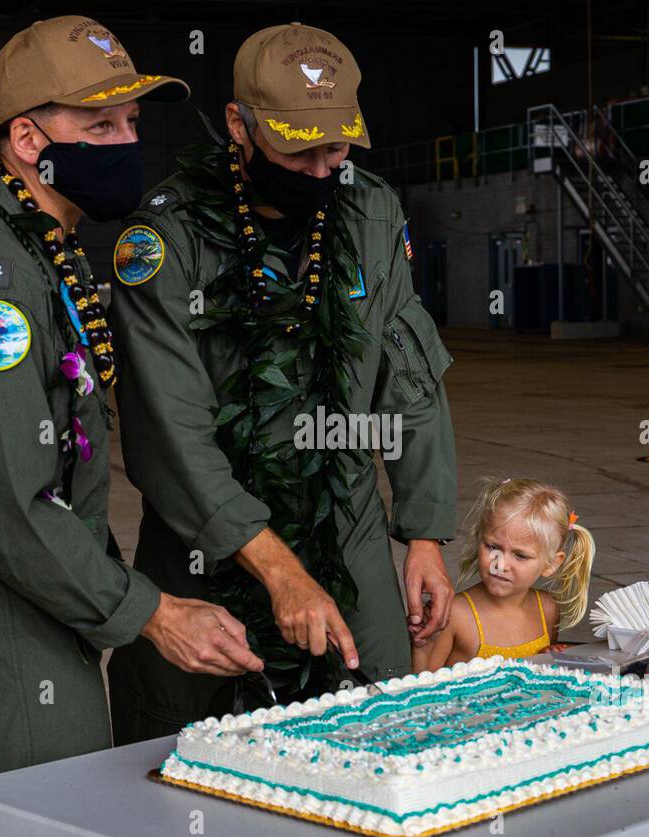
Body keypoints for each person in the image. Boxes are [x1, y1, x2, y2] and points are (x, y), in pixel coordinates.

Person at [0, 15, 261, 837]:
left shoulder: (35, 242)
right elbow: (6, 507)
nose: (125, 142)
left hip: (37, 609)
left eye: (129, 124)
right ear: (26, 137)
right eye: (98, 126)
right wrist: (154, 613)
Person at [106, 22, 458, 742]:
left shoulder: (372, 213)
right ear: (239, 125)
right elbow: (170, 433)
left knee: (383, 731)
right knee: (174, 757)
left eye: (341, 146)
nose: (326, 168)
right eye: (302, 148)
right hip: (205, 548)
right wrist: (277, 568)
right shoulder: (167, 241)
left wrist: (424, 533)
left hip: (348, 530)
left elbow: (409, 375)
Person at [412, 478, 595, 670]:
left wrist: (553, 656)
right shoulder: (455, 614)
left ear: (551, 564)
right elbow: (422, 684)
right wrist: (422, 646)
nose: (501, 564)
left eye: (520, 555)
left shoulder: (548, 609)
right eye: (493, 547)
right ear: (478, 539)